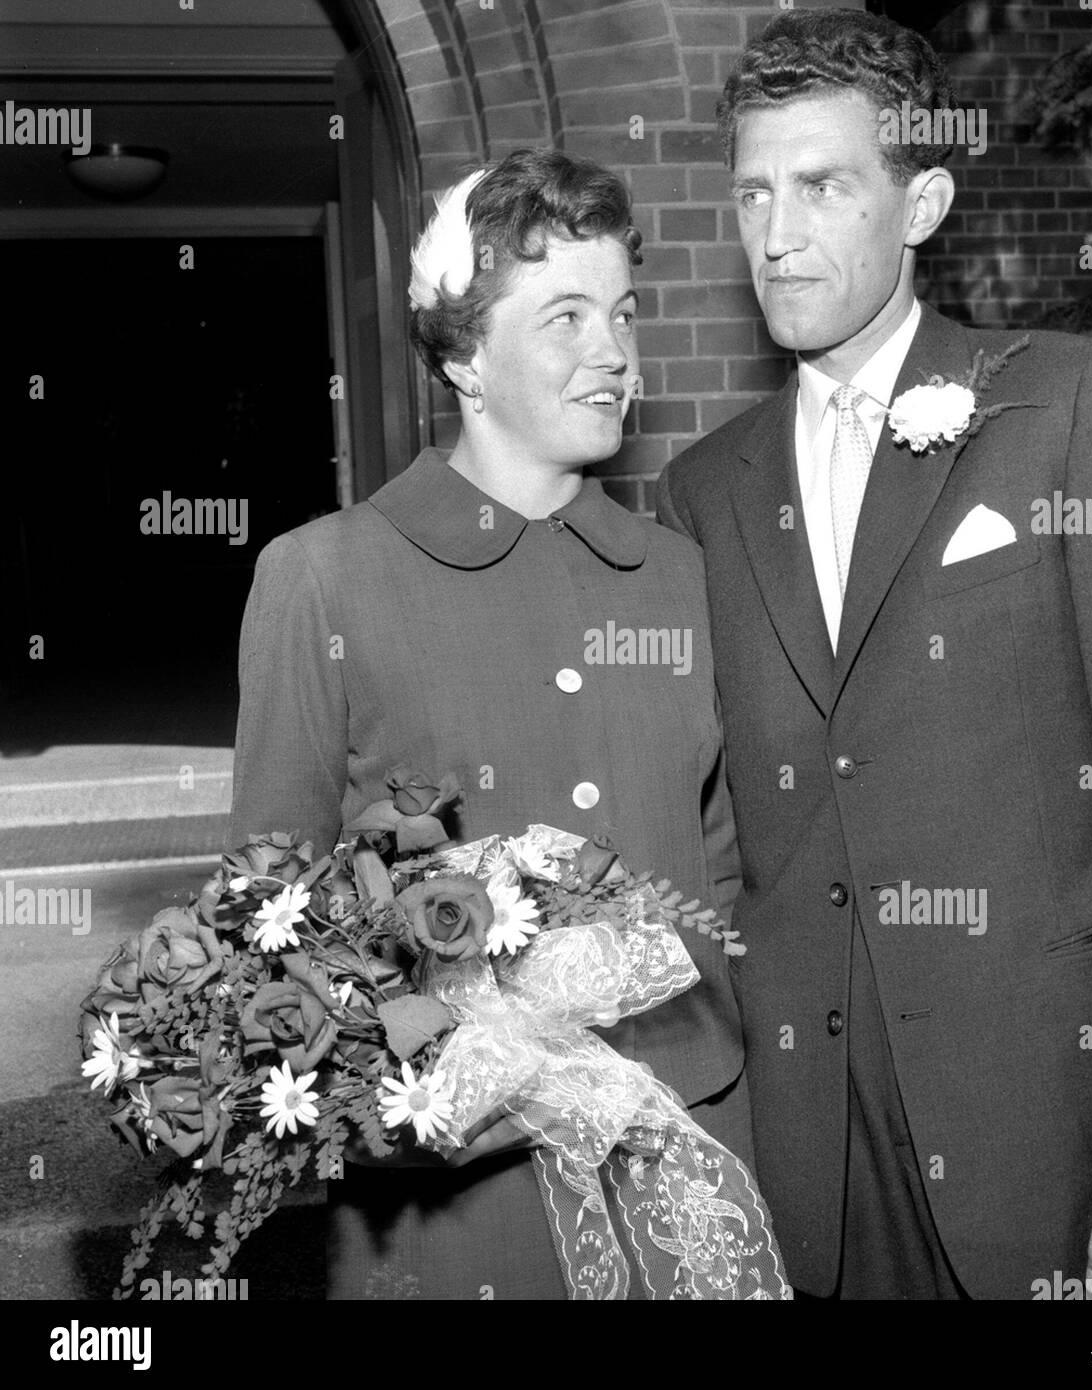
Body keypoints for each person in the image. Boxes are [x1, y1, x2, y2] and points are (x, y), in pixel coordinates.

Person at [656, 8, 1092, 1300]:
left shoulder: (1074, 406)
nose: (776, 233)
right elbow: (712, 838)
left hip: (1048, 1138)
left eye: (822, 186)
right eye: (753, 192)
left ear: (922, 200)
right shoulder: (702, 491)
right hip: (804, 1166)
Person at [227, 148, 751, 1299]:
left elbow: (720, 872)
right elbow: (273, 919)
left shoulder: (680, 577)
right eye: (563, 316)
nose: (612, 351)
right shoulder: (324, 579)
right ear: (463, 352)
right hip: (459, 1202)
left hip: (685, 1152)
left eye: (621, 311)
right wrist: (438, 1074)